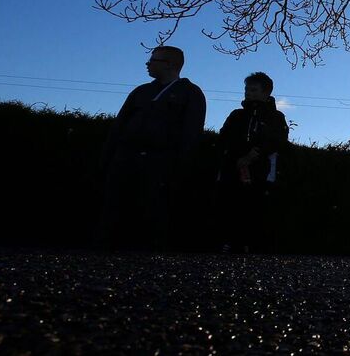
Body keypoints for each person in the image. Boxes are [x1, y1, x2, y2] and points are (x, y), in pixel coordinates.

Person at [98, 45, 207, 250]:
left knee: (153, 208)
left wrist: (181, 165)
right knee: (116, 206)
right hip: (126, 158)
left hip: (161, 162)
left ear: (170, 65)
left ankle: (151, 252)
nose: (148, 64)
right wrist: (108, 157)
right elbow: (119, 125)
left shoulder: (190, 93)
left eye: (153, 60)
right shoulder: (141, 91)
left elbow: (191, 133)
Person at [215, 71, 288, 253]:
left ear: (266, 92)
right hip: (233, 167)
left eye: (254, 90)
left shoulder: (276, 117)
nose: (249, 93)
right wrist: (237, 157)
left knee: (257, 207)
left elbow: (277, 141)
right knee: (230, 205)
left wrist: (255, 154)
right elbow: (225, 138)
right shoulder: (237, 115)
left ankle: (254, 244)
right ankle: (230, 241)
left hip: (261, 170)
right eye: (247, 89)